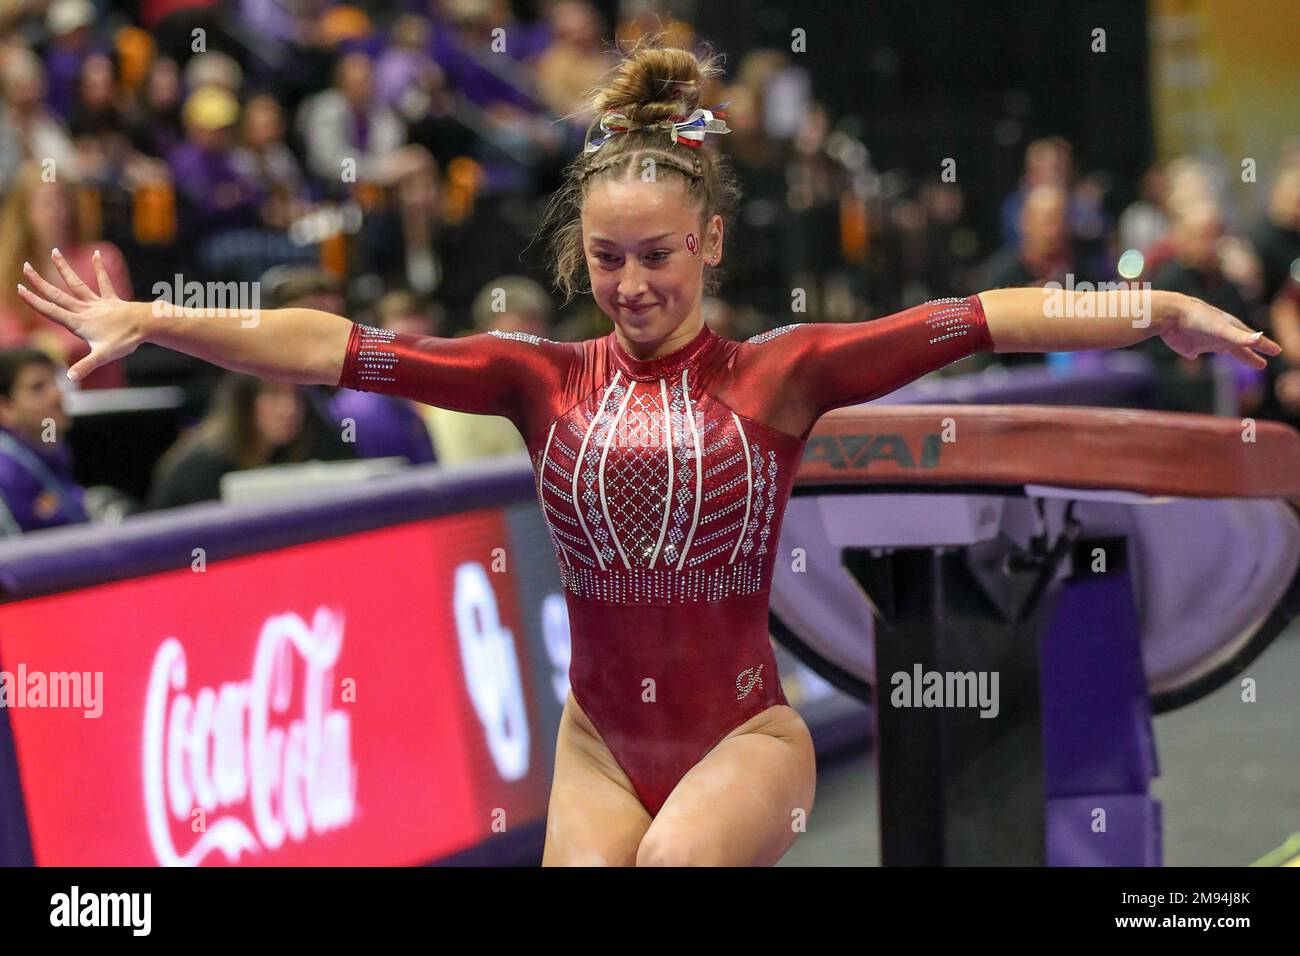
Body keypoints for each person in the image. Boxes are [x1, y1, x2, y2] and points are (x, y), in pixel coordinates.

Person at [16, 42, 1281, 866]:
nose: (630, 284)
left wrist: (1150, 306)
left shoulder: (780, 373)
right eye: (609, 259)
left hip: (746, 738)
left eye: (658, 257)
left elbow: (978, 317)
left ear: (711, 244)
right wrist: (158, 317)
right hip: (597, 743)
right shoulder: (535, 378)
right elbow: (332, 347)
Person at [0, 346, 88, 534]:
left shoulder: (54, 452)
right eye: (38, 388)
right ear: (5, 408)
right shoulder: (6, 472)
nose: (57, 395)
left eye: (56, 381)